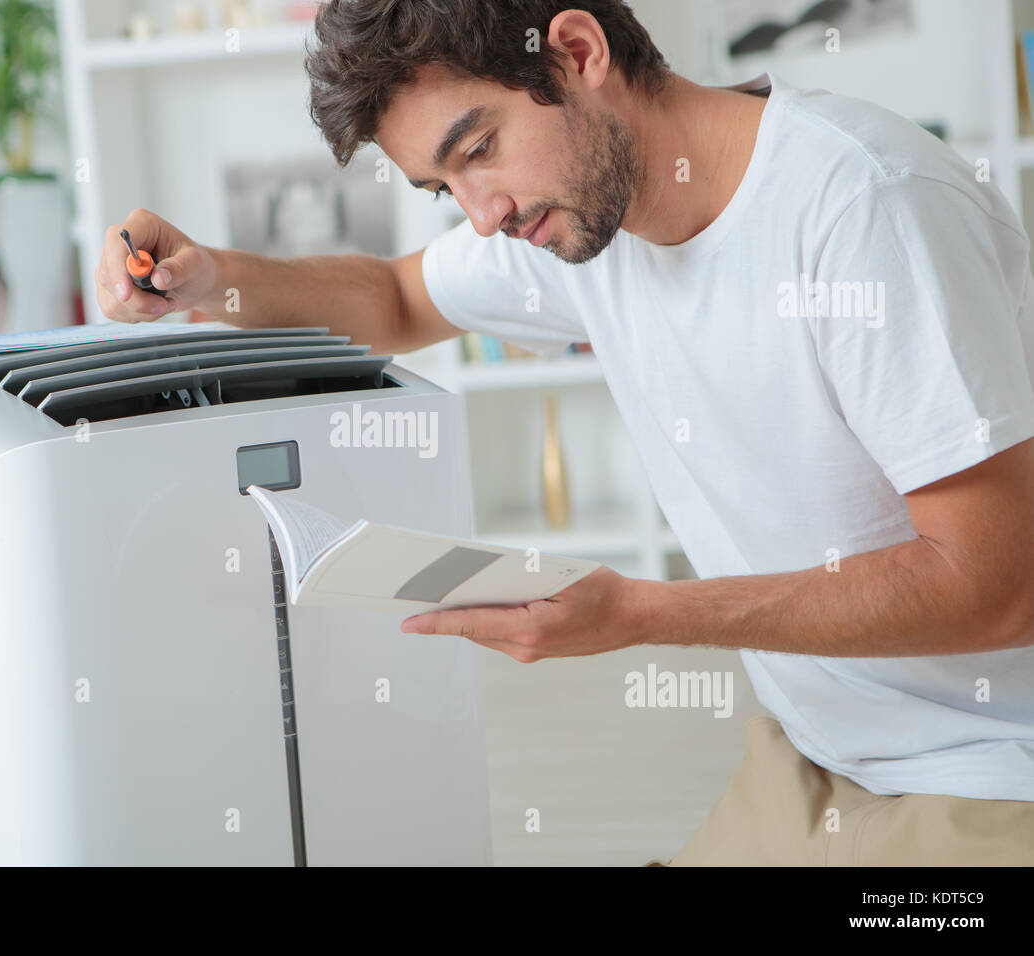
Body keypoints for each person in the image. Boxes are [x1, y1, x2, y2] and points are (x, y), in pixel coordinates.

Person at [95, 0, 1034, 865]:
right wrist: (211, 277)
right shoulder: (592, 219)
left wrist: (639, 615)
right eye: (444, 186)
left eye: (481, 149)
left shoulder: (865, 209)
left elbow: (993, 588)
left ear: (578, 53)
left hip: (996, 773)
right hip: (821, 754)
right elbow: (393, 296)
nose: (484, 216)